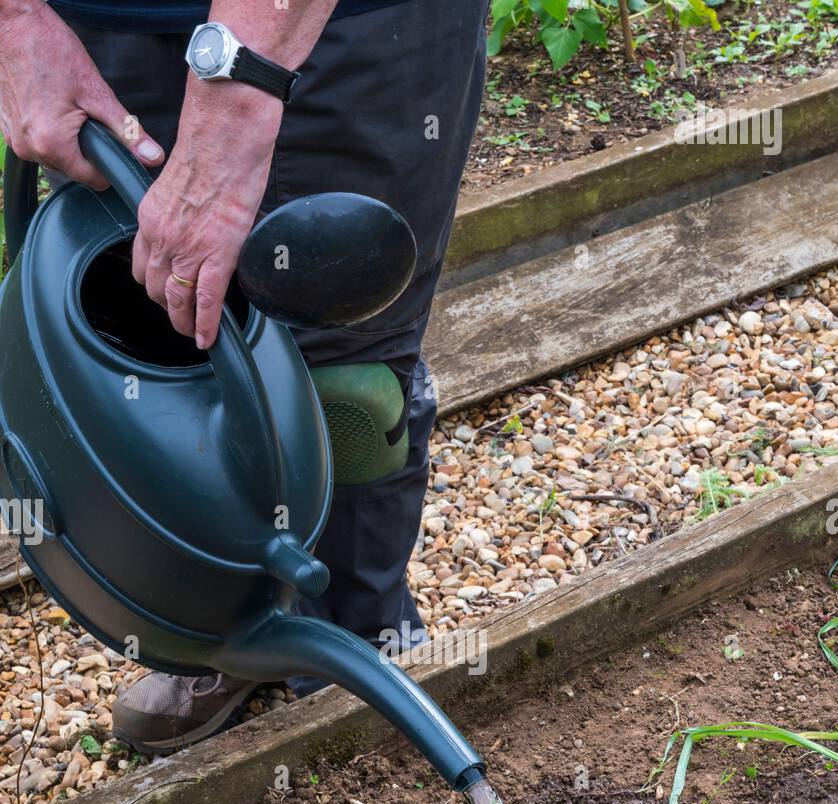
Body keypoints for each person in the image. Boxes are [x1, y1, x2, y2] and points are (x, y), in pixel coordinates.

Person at [0, 0, 489, 752]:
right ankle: (228, 632)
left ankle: (359, 648)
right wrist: (17, 21)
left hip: (348, 26)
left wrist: (239, 85)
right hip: (110, 25)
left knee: (345, 386)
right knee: (151, 330)